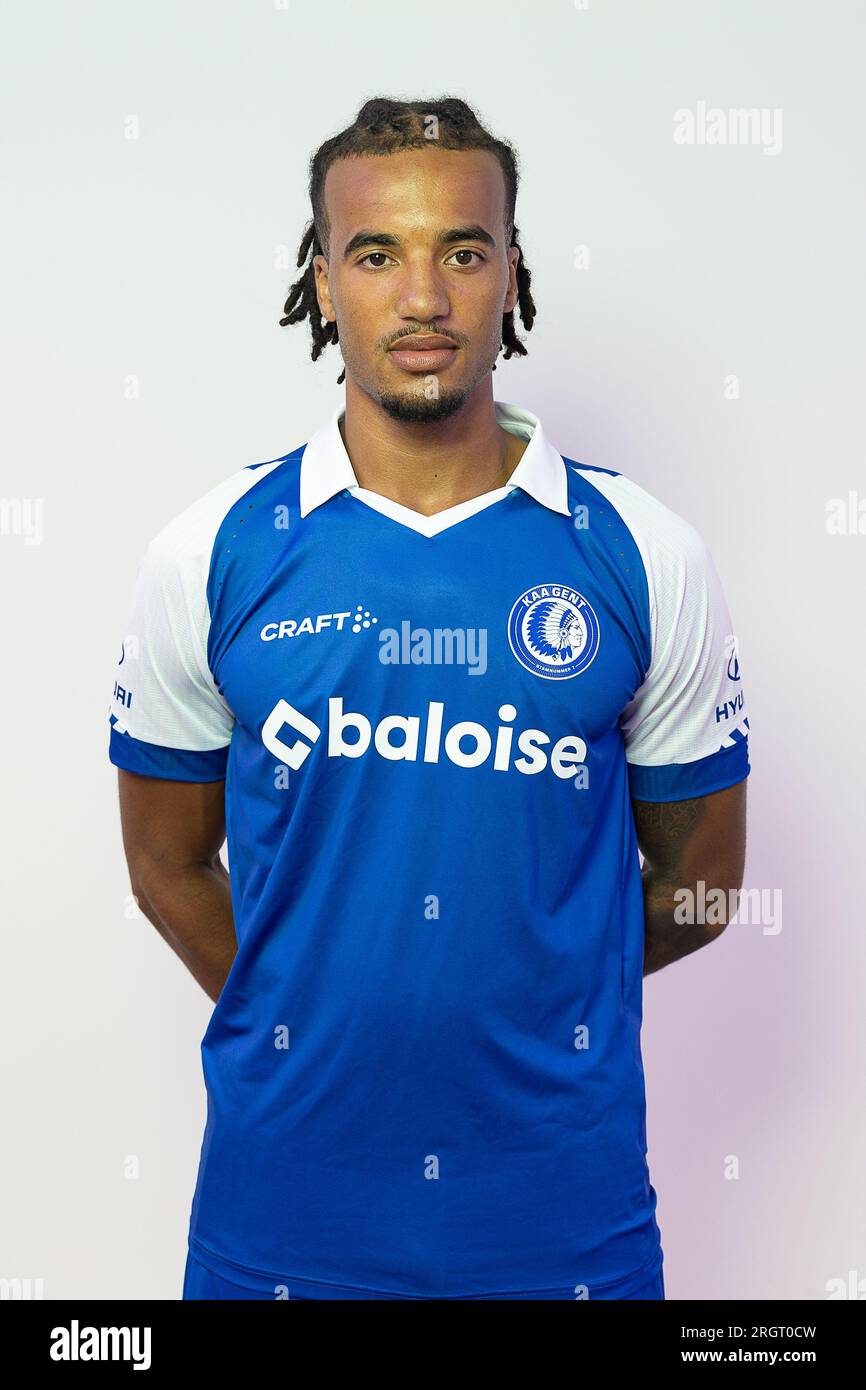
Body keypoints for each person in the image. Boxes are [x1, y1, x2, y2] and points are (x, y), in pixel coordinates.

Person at [108, 96, 749, 1301]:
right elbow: (165, 867)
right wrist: (321, 1003)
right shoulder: (210, 550)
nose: (421, 298)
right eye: (375, 253)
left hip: (566, 1235)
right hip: (278, 1229)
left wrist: (532, 994)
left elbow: (704, 887)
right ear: (320, 281)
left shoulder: (640, 548)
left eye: (462, 250)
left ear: (513, 275)